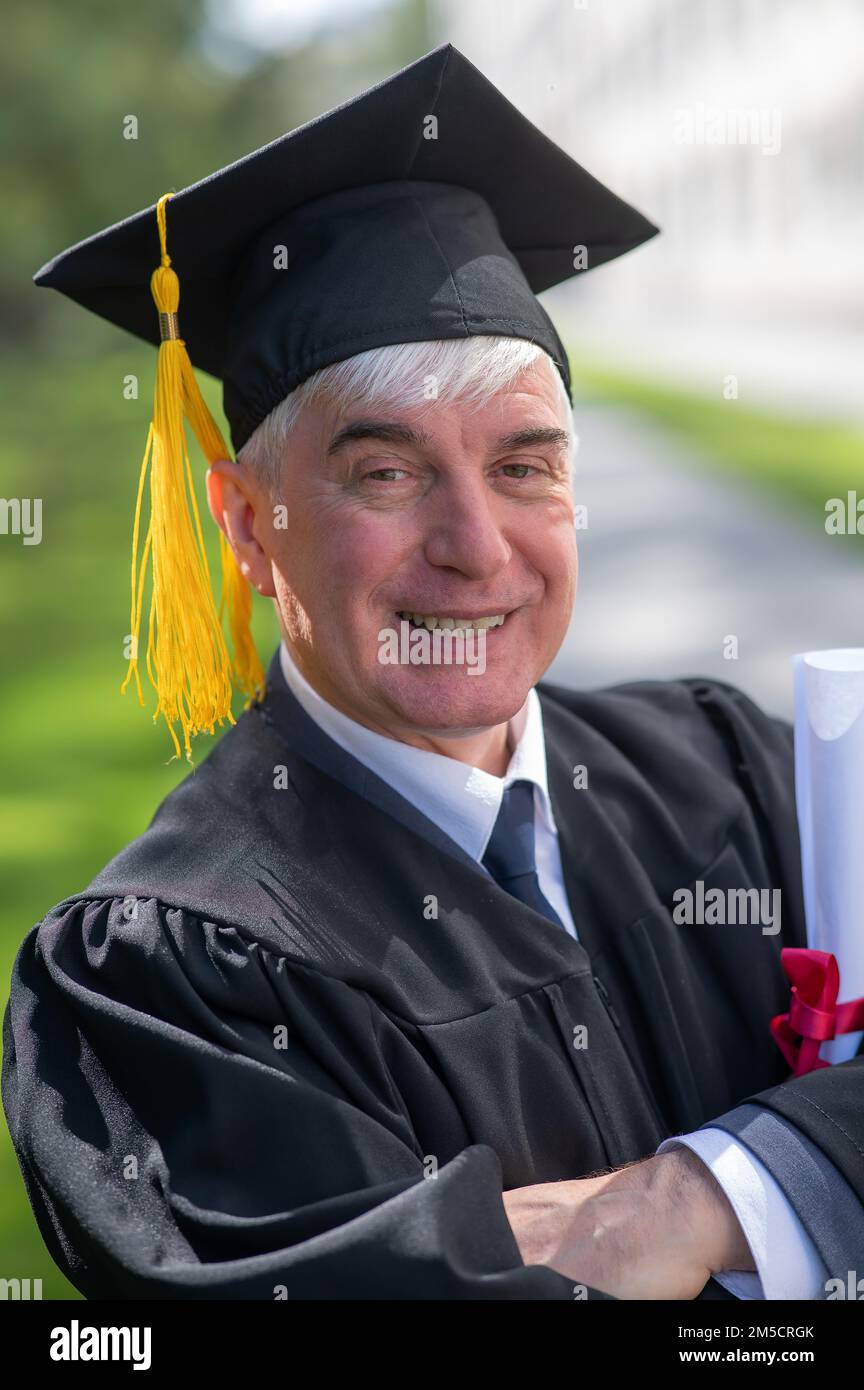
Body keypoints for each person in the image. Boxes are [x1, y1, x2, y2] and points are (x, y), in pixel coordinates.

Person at [4, 43, 863, 1302]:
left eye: (524, 466)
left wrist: (714, 1193)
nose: (475, 549)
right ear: (249, 528)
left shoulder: (736, 771)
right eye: (388, 473)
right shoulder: (176, 981)